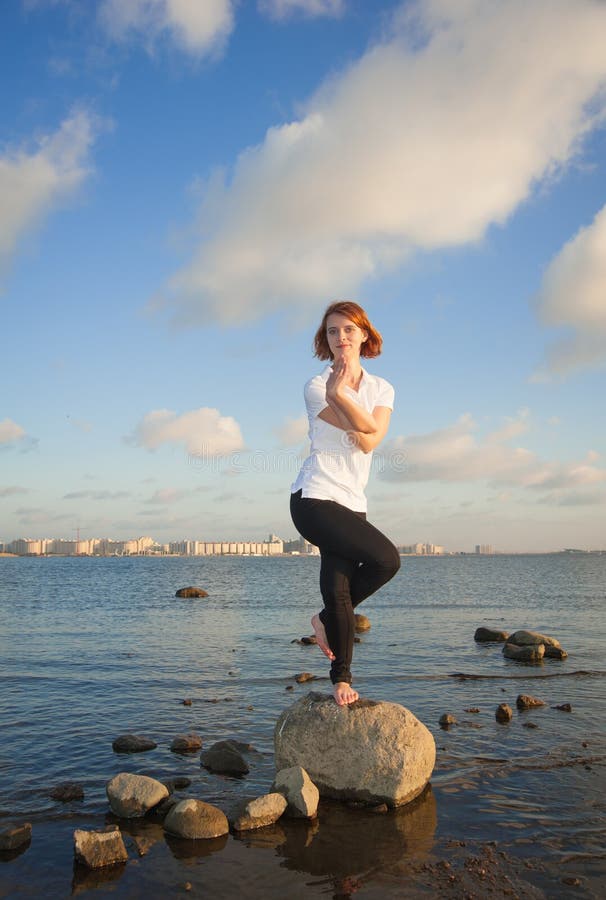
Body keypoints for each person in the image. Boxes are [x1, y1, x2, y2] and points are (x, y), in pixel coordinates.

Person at [290, 300, 401, 706]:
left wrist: (344, 395)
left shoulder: (381, 387)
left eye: (349, 330)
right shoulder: (316, 386)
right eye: (333, 331)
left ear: (364, 335)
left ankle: (339, 674)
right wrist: (336, 392)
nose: (341, 338)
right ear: (326, 339)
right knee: (387, 558)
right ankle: (330, 630)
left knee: (339, 590)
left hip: (353, 500)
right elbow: (363, 426)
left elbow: (370, 437)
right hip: (315, 498)